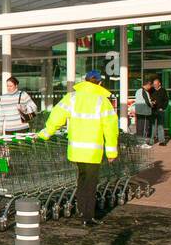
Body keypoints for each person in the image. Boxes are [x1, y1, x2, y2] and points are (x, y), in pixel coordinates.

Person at [37, 69, 119, 227]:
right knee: (90, 183)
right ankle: (88, 217)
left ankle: (82, 210)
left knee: (81, 179)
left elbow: (56, 116)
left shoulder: (72, 97)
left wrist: (45, 133)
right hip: (93, 150)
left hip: (76, 149)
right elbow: (110, 128)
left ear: (85, 80)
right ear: (100, 83)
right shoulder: (102, 101)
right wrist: (111, 151)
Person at [133, 77, 154, 143]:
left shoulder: (138, 91)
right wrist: (152, 104)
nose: (150, 87)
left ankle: (138, 142)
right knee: (144, 128)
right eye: (150, 86)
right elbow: (147, 102)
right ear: (148, 84)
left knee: (139, 128)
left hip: (139, 112)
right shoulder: (144, 92)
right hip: (144, 112)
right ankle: (143, 143)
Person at [149, 76, 169, 145]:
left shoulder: (163, 91)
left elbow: (166, 101)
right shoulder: (151, 90)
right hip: (153, 110)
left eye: (156, 84)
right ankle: (151, 141)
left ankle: (162, 141)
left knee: (160, 126)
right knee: (152, 126)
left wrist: (163, 108)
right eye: (154, 84)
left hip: (160, 110)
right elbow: (149, 99)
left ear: (159, 84)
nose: (154, 85)